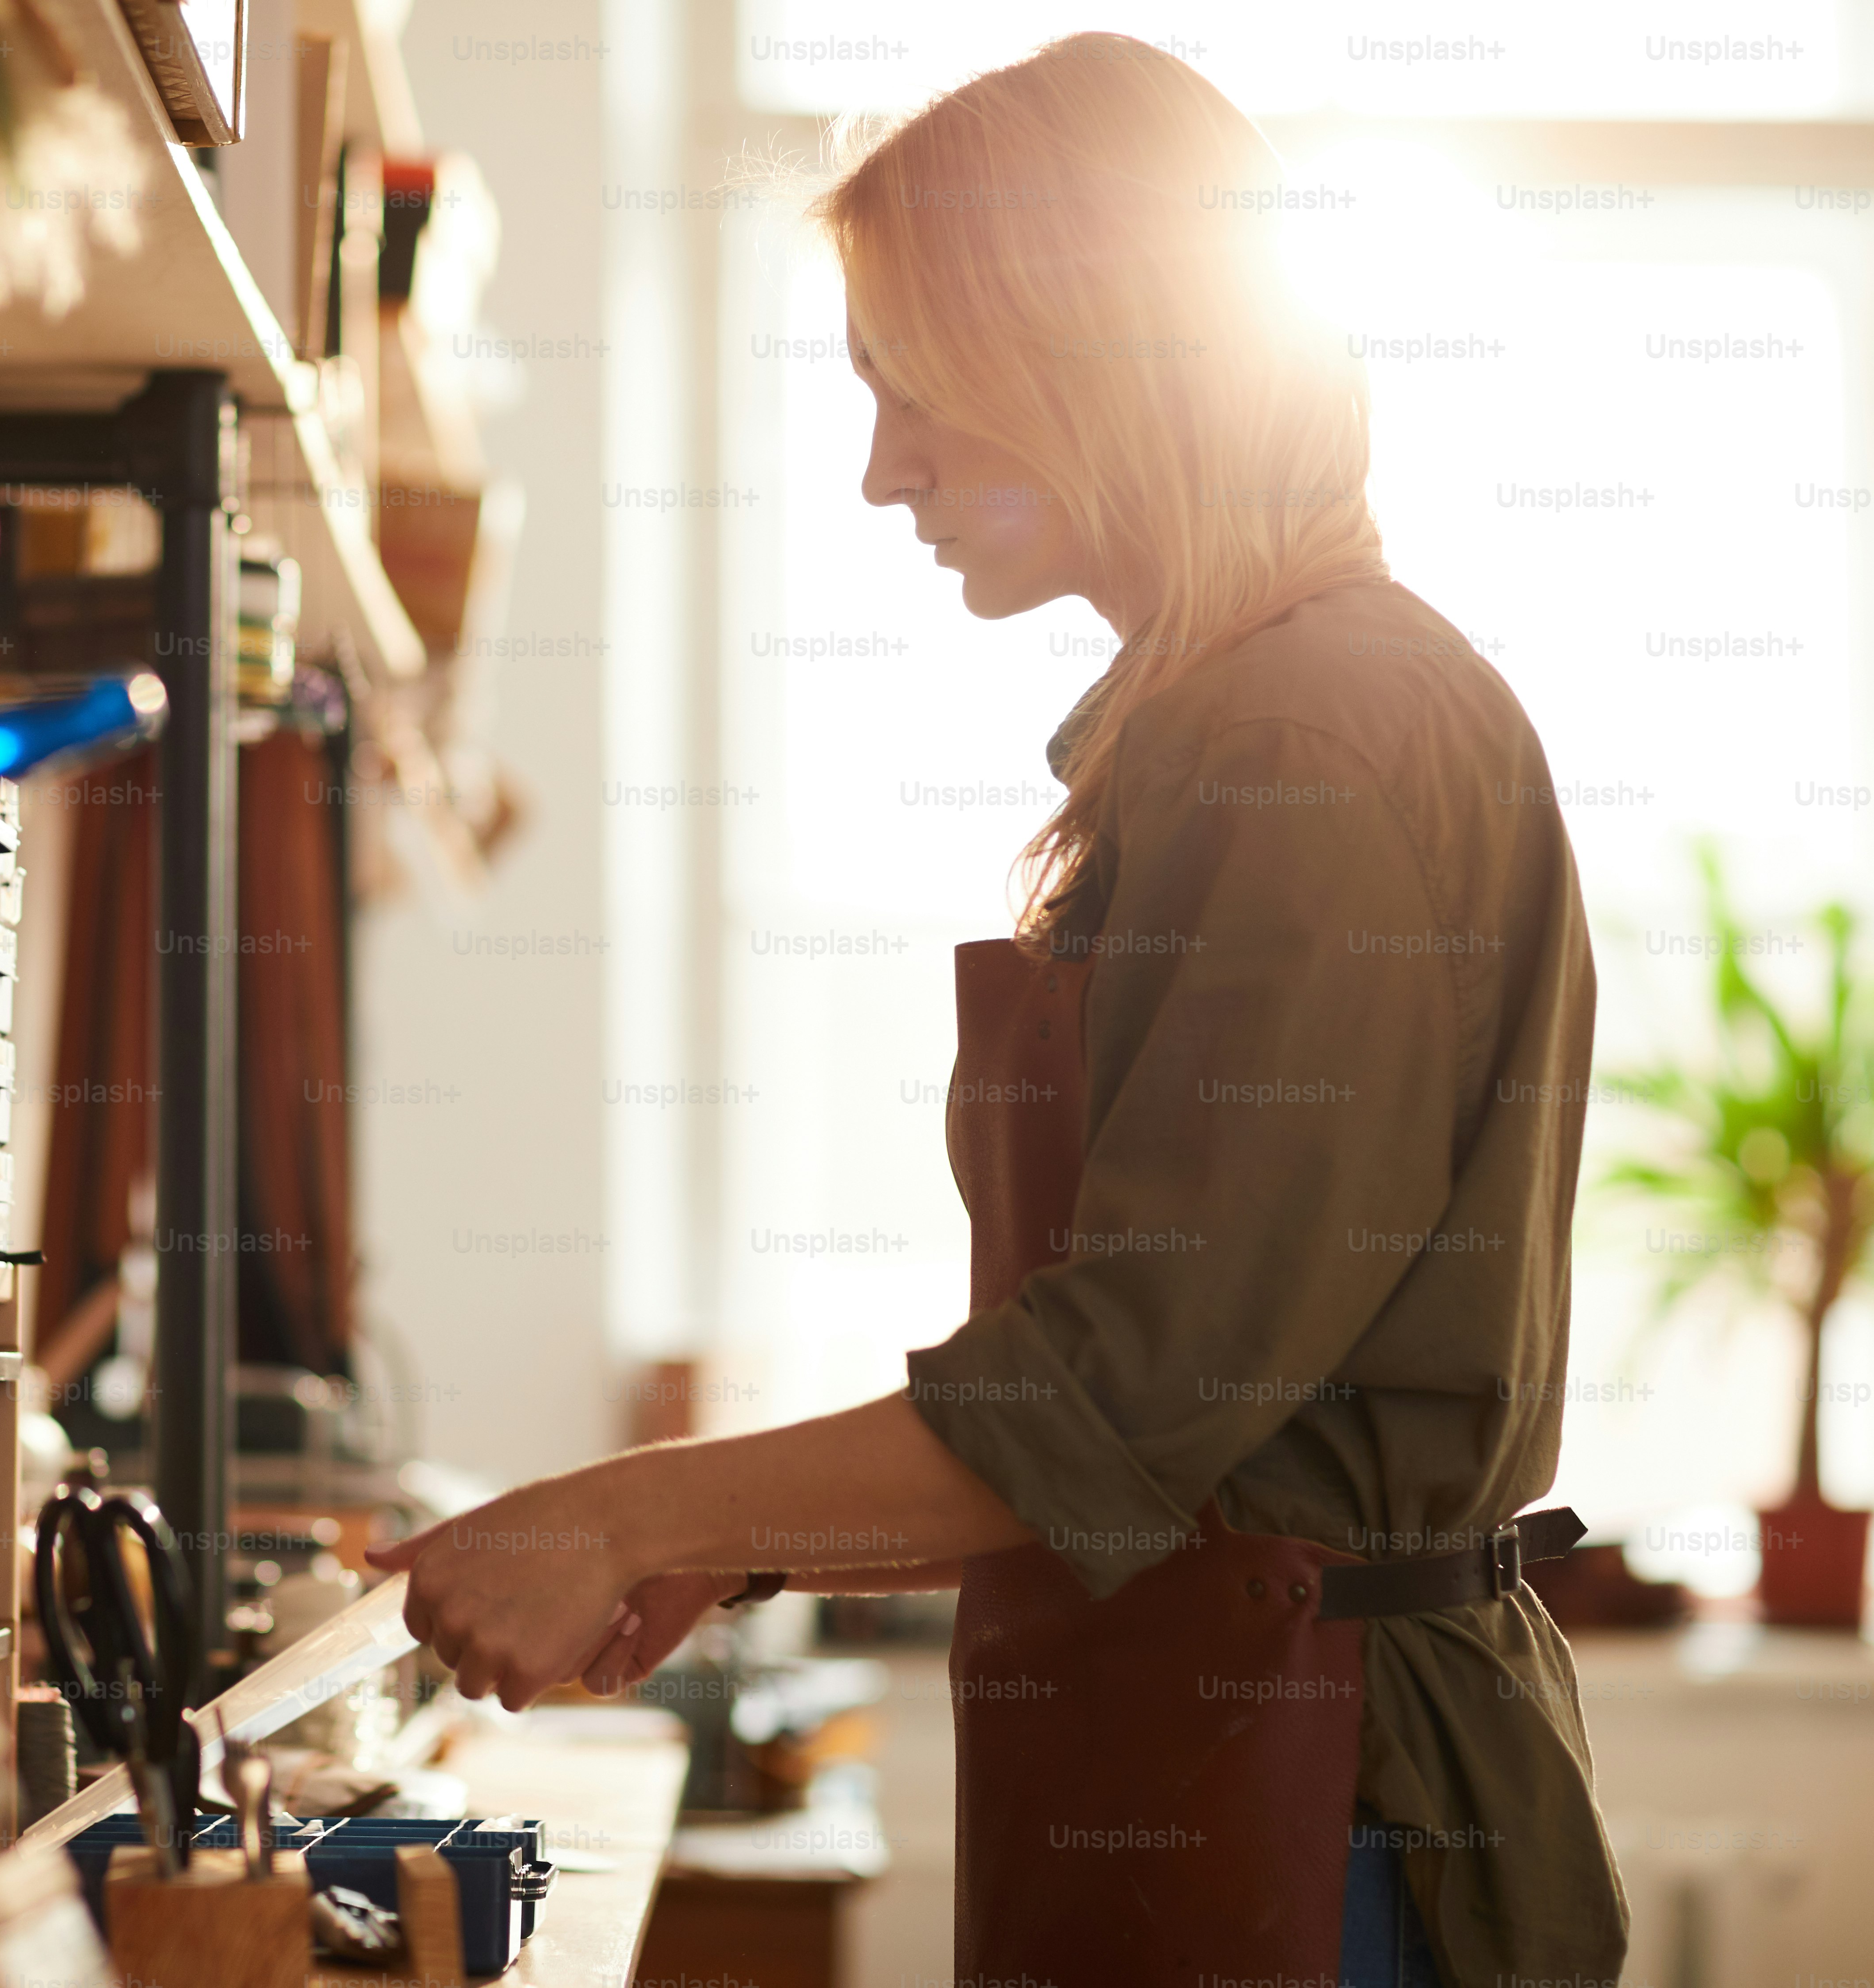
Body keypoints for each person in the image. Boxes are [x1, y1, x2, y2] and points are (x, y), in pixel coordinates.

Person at [368, 32, 1628, 1988]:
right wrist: (750, 1537)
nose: (884, 472)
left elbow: (1128, 1394)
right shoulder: (1232, 716)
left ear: (1096, 350)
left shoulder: (1305, 733)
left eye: (911, 391)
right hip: (1228, 1745)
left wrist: (622, 1515)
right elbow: (1177, 1413)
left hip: (1325, 1800)